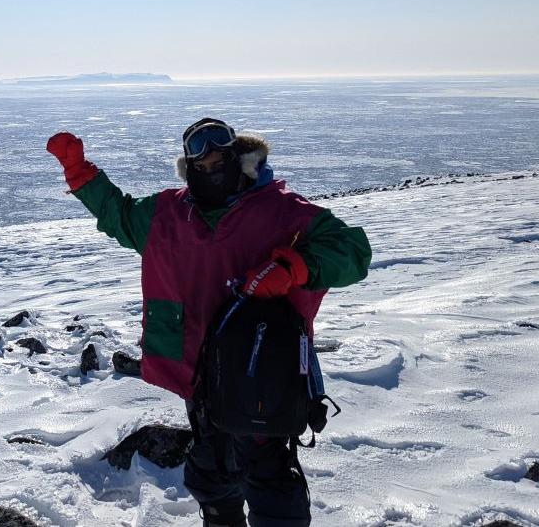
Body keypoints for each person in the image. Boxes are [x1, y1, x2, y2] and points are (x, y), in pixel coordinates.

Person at [46, 118, 371, 527]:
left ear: (238, 155)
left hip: (265, 375)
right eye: (201, 158)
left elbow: (354, 251)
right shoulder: (169, 213)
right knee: (212, 470)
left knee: (270, 478)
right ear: (189, 166)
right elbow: (121, 216)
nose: (212, 161)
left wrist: (295, 267)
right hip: (201, 376)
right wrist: (80, 173)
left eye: (221, 153)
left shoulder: (281, 210)